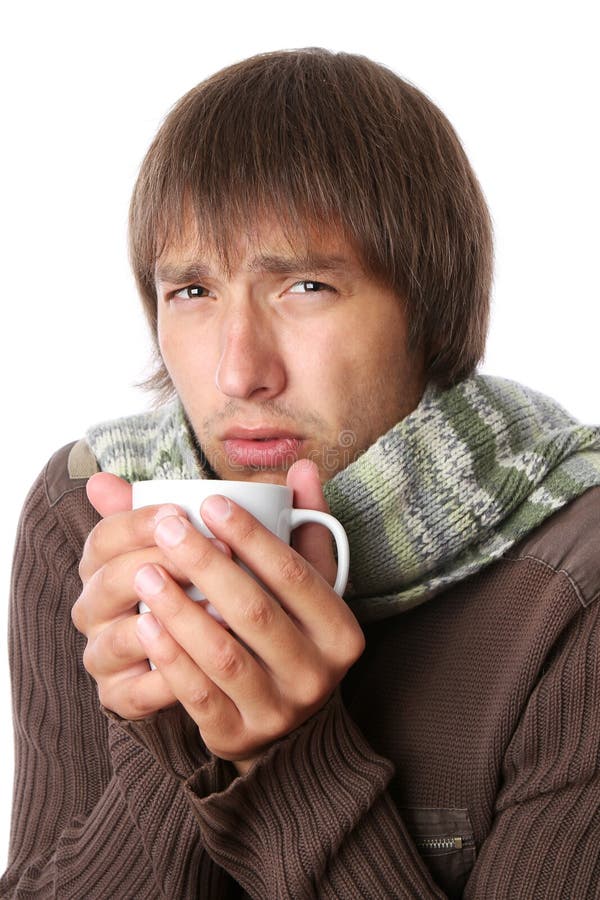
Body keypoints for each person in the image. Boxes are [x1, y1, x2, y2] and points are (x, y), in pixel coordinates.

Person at [2, 48, 600, 900]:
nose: (239, 372)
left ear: (429, 310)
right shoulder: (88, 513)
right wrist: (173, 722)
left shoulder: (574, 578)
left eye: (306, 285)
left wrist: (285, 764)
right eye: (193, 292)